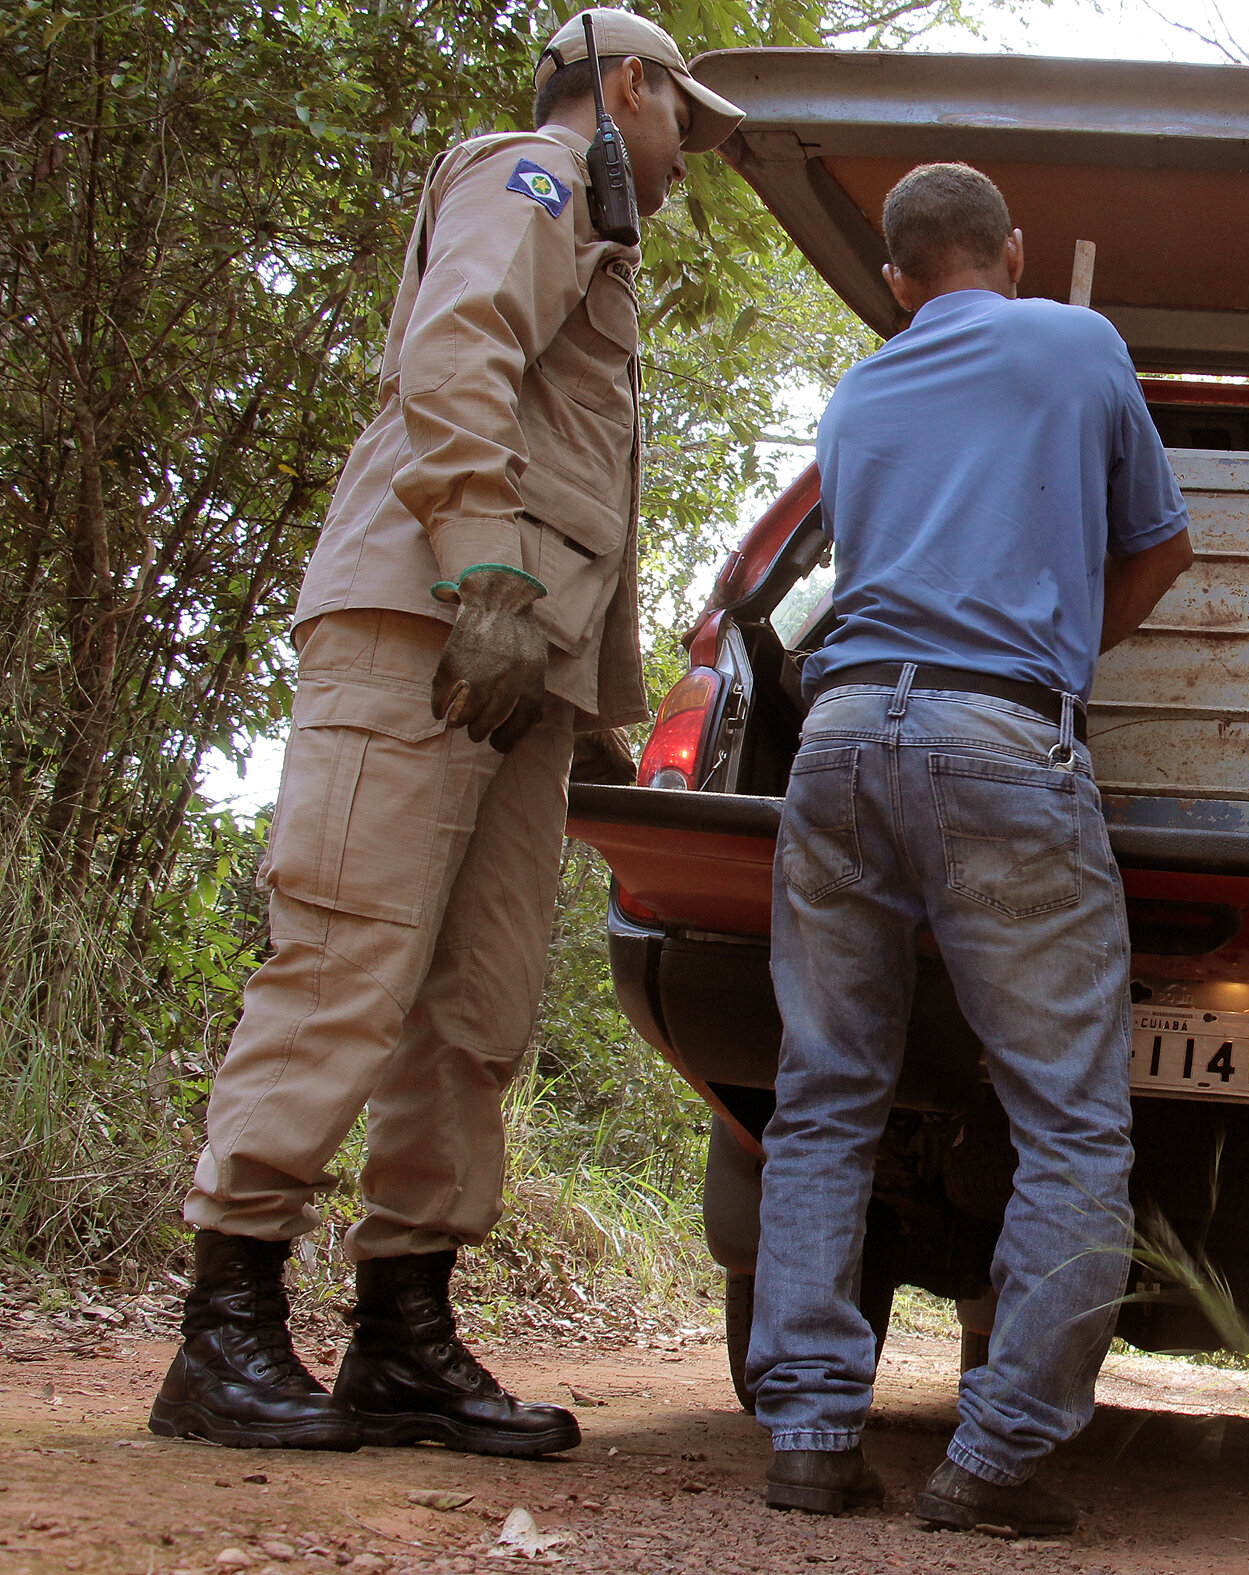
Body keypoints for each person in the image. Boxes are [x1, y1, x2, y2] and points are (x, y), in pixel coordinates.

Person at [150, 10, 743, 1457]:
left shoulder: (592, 243)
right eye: (683, 125)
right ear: (621, 91)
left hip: (515, 668)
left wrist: (585, 691)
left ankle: (402, 1334)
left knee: (477, 1010)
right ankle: (223, 1324)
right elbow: (457, 347)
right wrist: (481, 557)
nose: (688, 161)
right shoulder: (529, 178)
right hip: (425, 626)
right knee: (346, 954)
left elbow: (561, 456)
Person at [747, 162, 1194, 1537]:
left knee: (824, 1095)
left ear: (894, 280)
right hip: (1000, 744)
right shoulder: (1075, 335)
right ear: (1012, 252)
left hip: (836, 739)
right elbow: (1160, 551)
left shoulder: (861, 389)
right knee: (1067, 1117)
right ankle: (993, 1460)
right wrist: (1044, 662)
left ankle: (814, 1436)